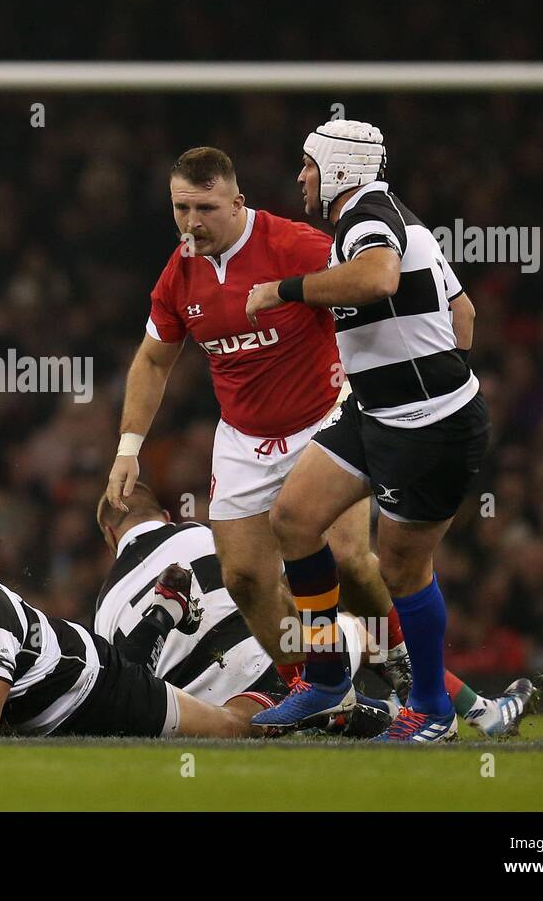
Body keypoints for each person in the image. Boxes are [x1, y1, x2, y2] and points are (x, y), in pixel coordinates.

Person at [104, 146, 411, 699]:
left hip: (325, 418)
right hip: (243, 439)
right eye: (180, 208)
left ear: (237, 202)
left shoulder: (296, 245)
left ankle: (401, 661)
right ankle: (313, 693)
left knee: (347, 561)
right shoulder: (179, 273)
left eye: (205, 208)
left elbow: (375, 282)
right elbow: (152, 361)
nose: (191, 223)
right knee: (244, 579)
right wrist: (128, 448)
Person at [246, 120, 489, 741]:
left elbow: (379, 277)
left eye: (309, 165)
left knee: (403, 570)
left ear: (339, 169)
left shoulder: (366, 219)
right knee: (294, 519)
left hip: (424, 428)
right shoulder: (396, 219)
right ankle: (327, 678)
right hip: (377, 412)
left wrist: (284, 291)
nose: (301, 177)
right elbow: (462, 312)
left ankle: (433, 712)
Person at [95, 482, 536, 736]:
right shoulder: (204, 534)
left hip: (214, 710)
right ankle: (480, 711)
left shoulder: (104, 607)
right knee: (365, 630)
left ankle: (363, 712)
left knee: (283, 697)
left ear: (111, 538)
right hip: (278, 663)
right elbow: (280, 591)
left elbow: (128, 685)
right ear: (166, 514)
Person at [0, 530, 365, 738]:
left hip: (92, 690)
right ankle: (162, 613)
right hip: (68, 675)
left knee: (228, 731)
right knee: (136, 663)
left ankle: (320, 704)